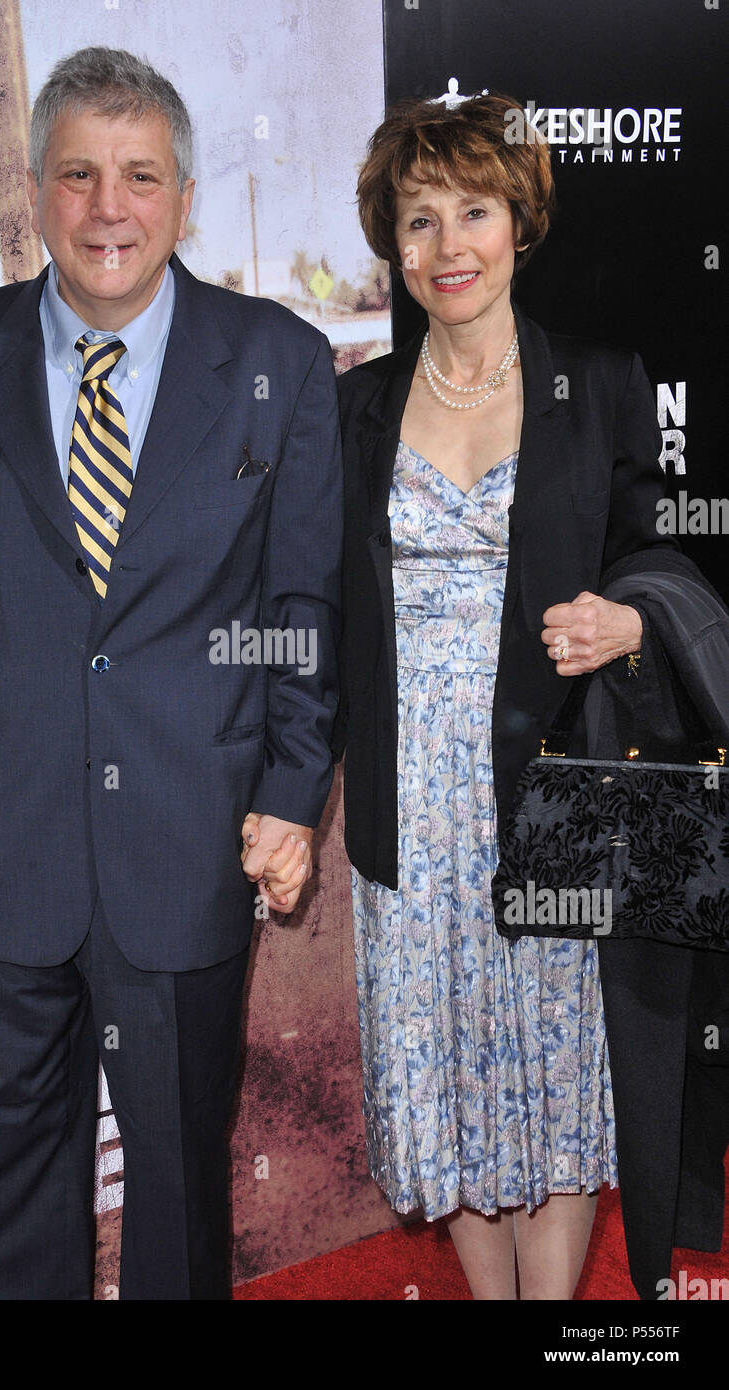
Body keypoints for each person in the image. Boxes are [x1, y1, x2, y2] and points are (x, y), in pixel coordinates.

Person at [0, 46, 342, 1301]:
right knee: (6, 1185)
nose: (106, 207)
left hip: (190, 843)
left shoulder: (277, 362)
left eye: (137, 176)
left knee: (179, 1190)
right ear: (35, 194)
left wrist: (291, 792)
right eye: (77, 174)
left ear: (181, 195)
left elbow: (299, 611)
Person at [332, 91, 678, 1299]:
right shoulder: (354, 409)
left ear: (518, 223)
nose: (446, 248)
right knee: (455, 1095)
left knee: (555, 1082)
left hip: (555, 785)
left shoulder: (599, 382)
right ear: (394, 241)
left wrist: (631, 616)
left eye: (472, 211)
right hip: (408, 810)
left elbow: (662, 552)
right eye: (418, 221)